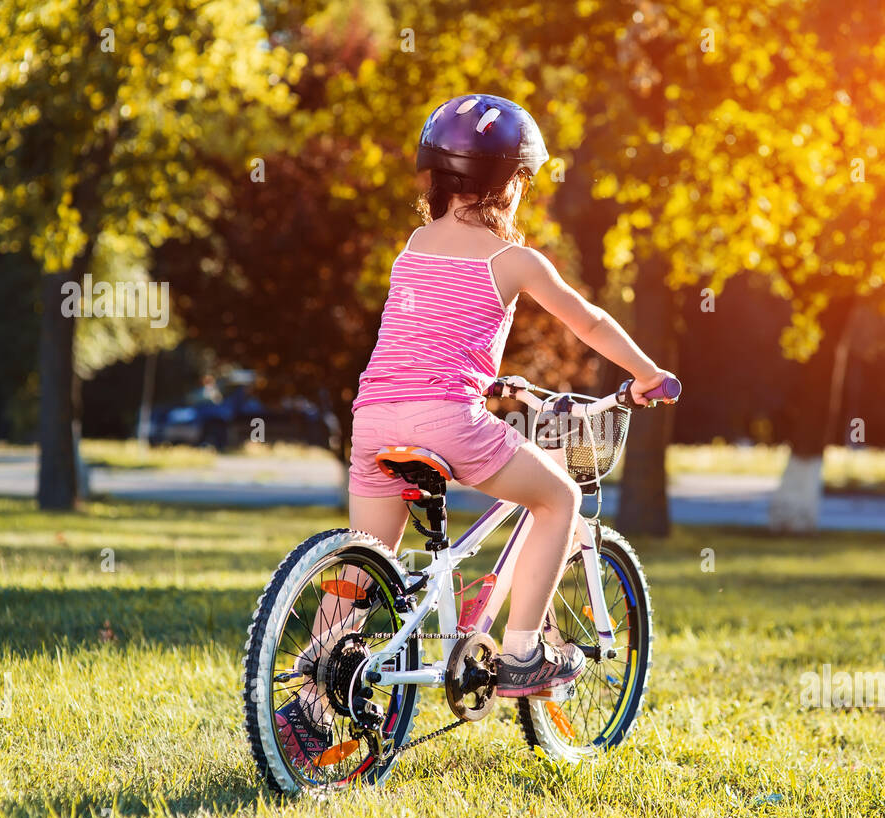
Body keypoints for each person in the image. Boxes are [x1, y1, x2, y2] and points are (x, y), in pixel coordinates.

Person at [276, 93, 673, 762]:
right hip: (447, 422)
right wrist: (648, 373)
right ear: (511, 182)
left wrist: (491, 381)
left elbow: (423, 338)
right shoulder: (512, 259)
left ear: (439, 180)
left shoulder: (415, 245)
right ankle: (521, 653)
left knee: (360, 572)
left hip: (373, 419)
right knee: (560, 498)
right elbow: (591, 323)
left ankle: (306, 707)